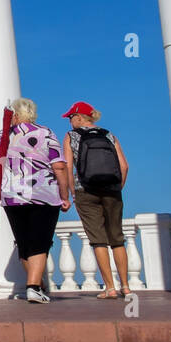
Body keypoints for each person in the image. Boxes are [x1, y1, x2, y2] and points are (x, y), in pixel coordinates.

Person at [0, 97, 70, 303]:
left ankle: (36, 286)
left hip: (13, 196)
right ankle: (33, 287)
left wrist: (0, 161)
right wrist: (65, 195)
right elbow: (59, 166)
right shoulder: (46, 133)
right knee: (40, 241)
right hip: (44, 194)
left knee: (24, 243)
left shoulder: (3, 136)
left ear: (14, 115)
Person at [60, 101, 131, 298]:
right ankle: (125, 286)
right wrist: (117, 187)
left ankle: (110, 288)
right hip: (112, 190)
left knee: (98, 240)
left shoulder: (71, 136)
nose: (69, 122)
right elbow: (124, 166)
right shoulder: (109, 135)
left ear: (80, 117)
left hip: (86, 191)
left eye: (71, 117)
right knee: (117, 238)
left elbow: (66, 166)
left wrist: (71, 191)